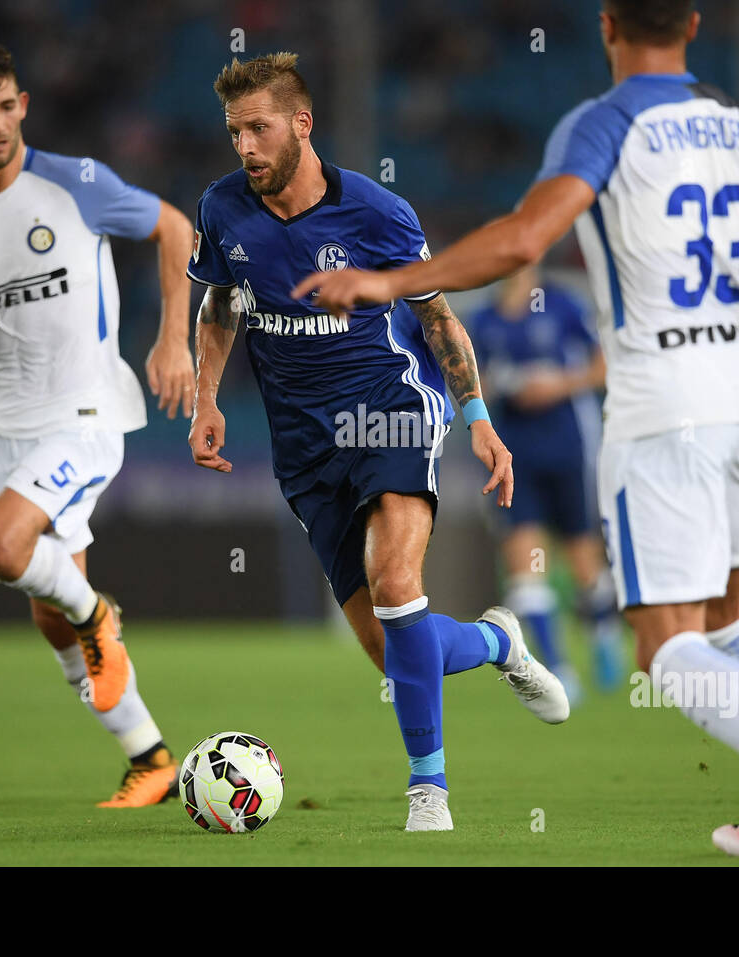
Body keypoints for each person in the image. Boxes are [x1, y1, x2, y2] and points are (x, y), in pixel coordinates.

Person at [292, 1, 739, 865]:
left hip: (661, 403)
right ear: (692, 23)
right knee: (731, 611)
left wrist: (391, 281)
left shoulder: (605, 122)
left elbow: (522, 239)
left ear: (609, 25)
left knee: (664, 643)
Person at [186, 52, 569, 832]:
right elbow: (222, 301)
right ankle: (498, 642)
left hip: (389, 412)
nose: (246, 147)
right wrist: (205, 397)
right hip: (302, 448)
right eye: (234, 133)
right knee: (396, 651)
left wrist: (479, 421)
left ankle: (428, 789)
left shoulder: (375, 212)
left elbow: (437, 319)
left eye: (259, 128)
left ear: (302, 123)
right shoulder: (222, 208)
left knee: (397, 584)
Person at [0, 44, 196, 808]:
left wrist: (174, 340)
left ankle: (98, 610)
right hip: (9, 427)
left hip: (87, 412)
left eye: (7, 106)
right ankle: (152, 757)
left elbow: (175, 230)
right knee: (48, 613)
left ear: (25, 105)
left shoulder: (77, 182)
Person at [468, 264, 624, 698]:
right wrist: (501, 386)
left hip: (570, 448)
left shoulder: (563, 306)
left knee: (582, 561)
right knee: (526, 567)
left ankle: (602, 633)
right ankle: (557, 671)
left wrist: (557, 385)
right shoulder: (484, 320)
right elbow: (467, 379)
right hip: (513, 456)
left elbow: (603, 366)